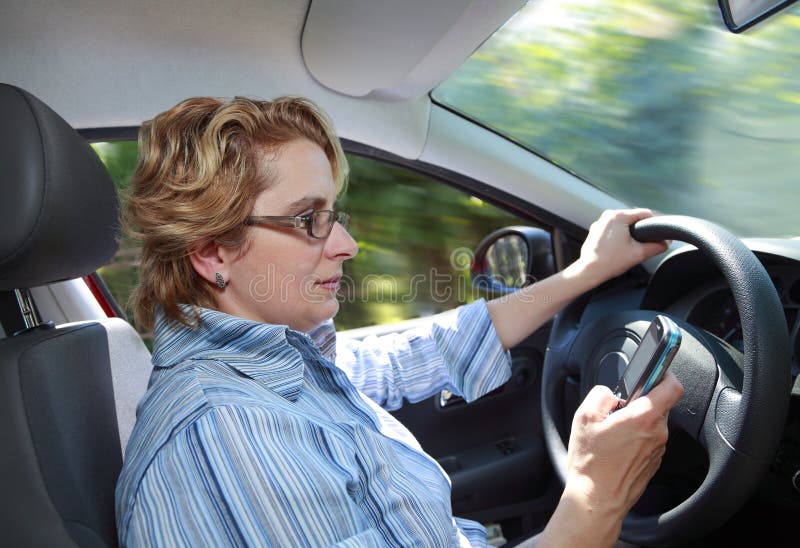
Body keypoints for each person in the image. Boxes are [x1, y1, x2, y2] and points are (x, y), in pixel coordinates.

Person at [115, 95, 684, 547]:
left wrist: (584, 273)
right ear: (213, 252)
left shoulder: (279, 365)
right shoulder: (230, 439)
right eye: (308, 219)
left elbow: (423, 350)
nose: (347, 244)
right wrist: (597, 495)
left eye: (333, 214)